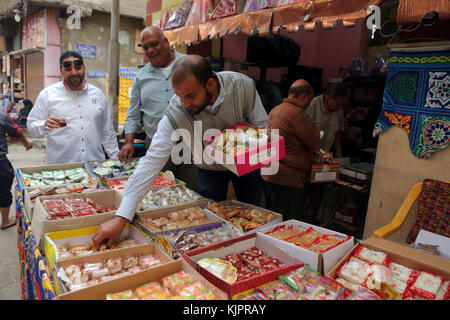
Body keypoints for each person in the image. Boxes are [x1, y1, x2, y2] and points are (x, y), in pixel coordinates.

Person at [92, 55, 269, 248]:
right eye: (179, 96)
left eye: (190, 96)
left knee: (254, 219)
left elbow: (262, 124)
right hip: (208, 168)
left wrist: (237, 140)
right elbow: (151, 161)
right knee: (212, 227)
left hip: (247, 164)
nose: (184, 103)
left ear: (210, 84)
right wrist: (121, 218)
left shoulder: (243, 86)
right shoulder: (176, 111)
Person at [119, 26, 198, 191]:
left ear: (166, 42)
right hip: (158, 147)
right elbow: (133, 113)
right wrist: (128, 142)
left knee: (193, 194)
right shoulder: (141, 77)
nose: (150, 50)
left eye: (154, 44)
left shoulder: (190, 64)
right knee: (162, 195)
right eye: (145, 47)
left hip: (191, 146)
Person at [27, 51, 119, 164]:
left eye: (78, 67)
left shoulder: (98, 95)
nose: (74, 72)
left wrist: (116, 160)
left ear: (84, 67)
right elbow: (31, 127)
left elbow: (107, 132)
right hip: (61, 169)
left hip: (95, 167)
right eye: (68, 69)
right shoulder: (47, 95)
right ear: (61, 70)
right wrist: (44, 124)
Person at [261, 79, 320, 222]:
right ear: (304, 96)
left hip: (269, 174)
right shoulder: (296, 114)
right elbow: (315, 142)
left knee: (272, 219)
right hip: (288, 180)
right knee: (290, 224)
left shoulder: (276, 109)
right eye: (310, 100)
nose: (308, 104)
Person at [1, 112, 33, 229]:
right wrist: (26, 144)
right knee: (3, 189)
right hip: (0, 161)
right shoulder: (2, 115)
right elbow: (17, 132)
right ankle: (5, 221)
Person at [305, 81, 350, 158]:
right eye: (338, 104)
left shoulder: (339, 110)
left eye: (343, 105)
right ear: (328, 97)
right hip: (308, 154)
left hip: (325, 154)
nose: (341, 107)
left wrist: (339, 154)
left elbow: (337, 133)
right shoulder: (311, 106)